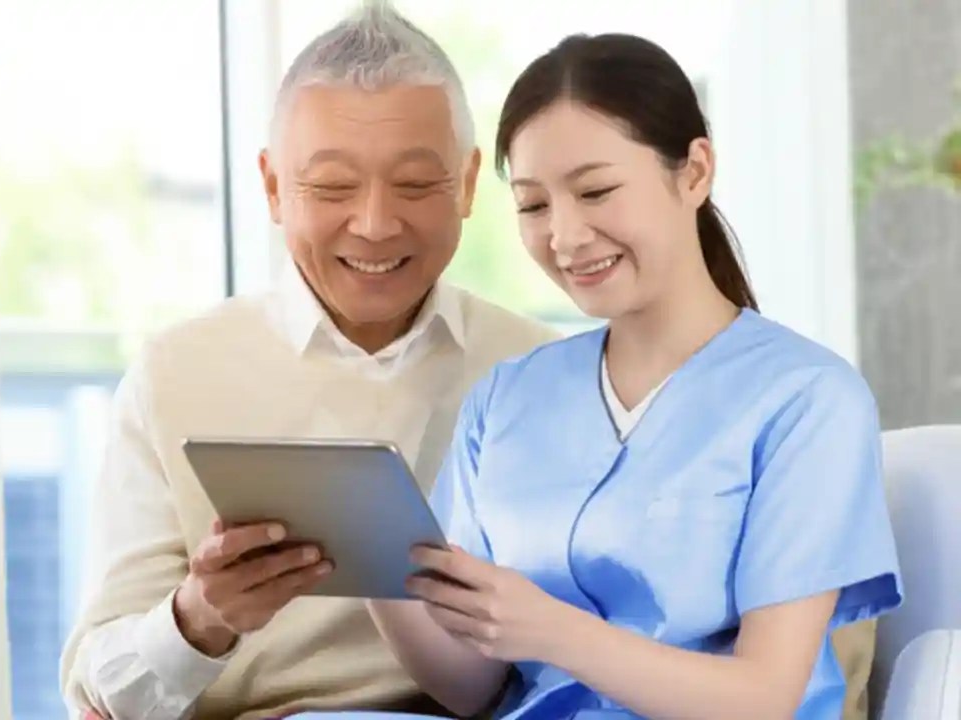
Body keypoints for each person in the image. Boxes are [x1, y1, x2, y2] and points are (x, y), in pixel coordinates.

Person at [297, 33, 903, 720]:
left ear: (695, 171)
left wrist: (553, 630)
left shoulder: (807, 401)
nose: (565, 235)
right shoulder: (506, 399)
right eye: (532, 206)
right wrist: (369, 557)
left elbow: (764, 698)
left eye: (596, 191)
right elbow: (475, 689)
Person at [58, 4, 559, 719]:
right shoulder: (175, 375)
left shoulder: (536, 369)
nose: (377, 223)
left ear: (470, 182)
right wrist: (200, 618)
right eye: (331, 187)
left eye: (417, 185)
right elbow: (98, 692)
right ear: (271, 187)